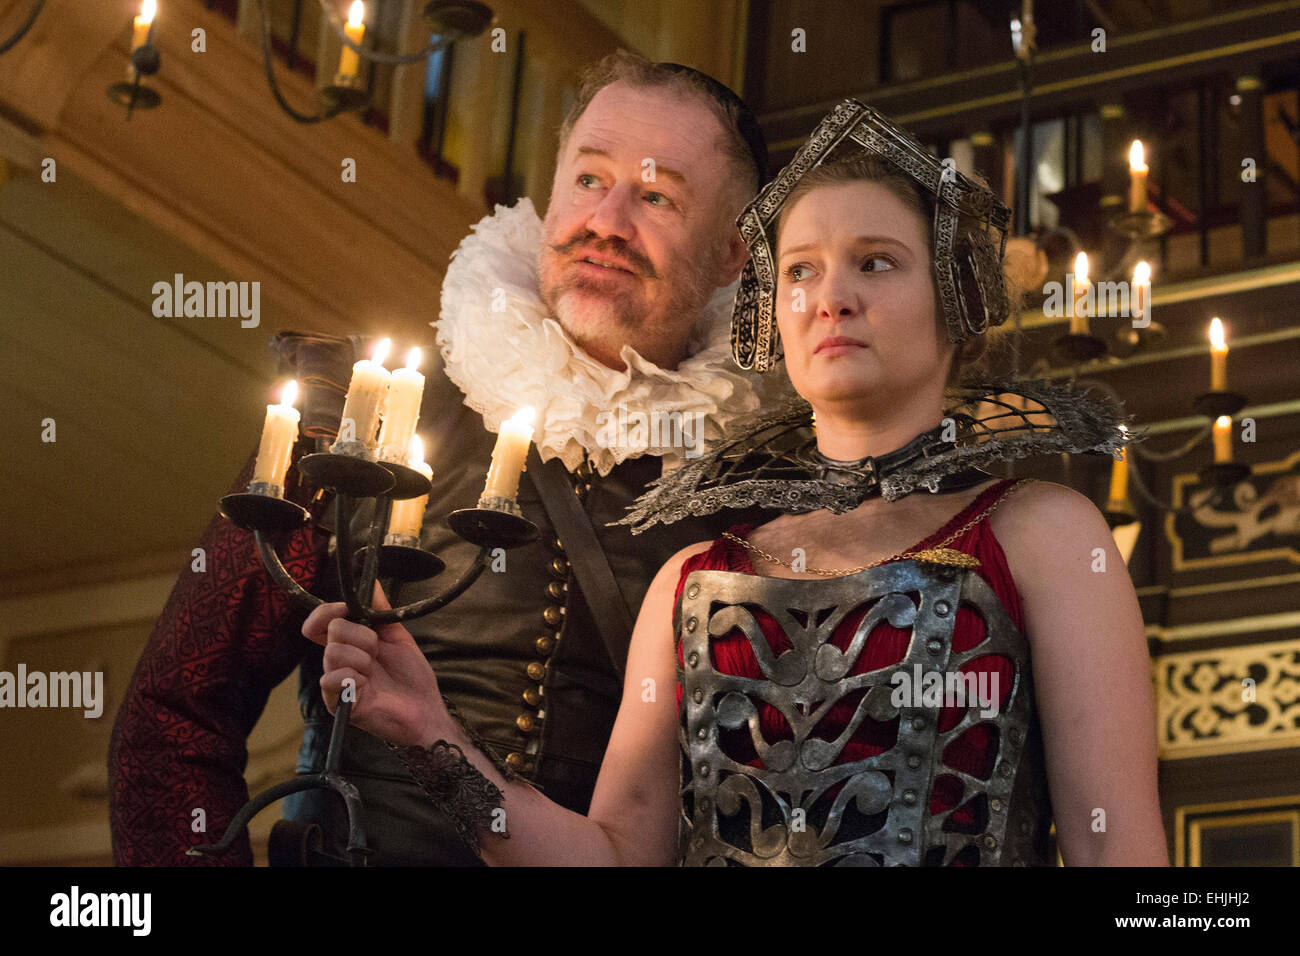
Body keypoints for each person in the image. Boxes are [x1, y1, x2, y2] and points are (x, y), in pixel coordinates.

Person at [306, 100, 1170, 866]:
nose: (830, 297)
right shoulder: (694, 579)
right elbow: (609, 859)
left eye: (875, 262)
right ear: (771, 314)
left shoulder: (1043, 537)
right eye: (800, 269)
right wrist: (431, 734)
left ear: (955, 302)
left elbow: (1117, 848)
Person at [108, 51, 787, 866]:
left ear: (732, 253)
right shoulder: (351, 424)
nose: (606, 219)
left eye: (655, 196)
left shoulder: (764, 504)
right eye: (588, 179)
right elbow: (175, 713)